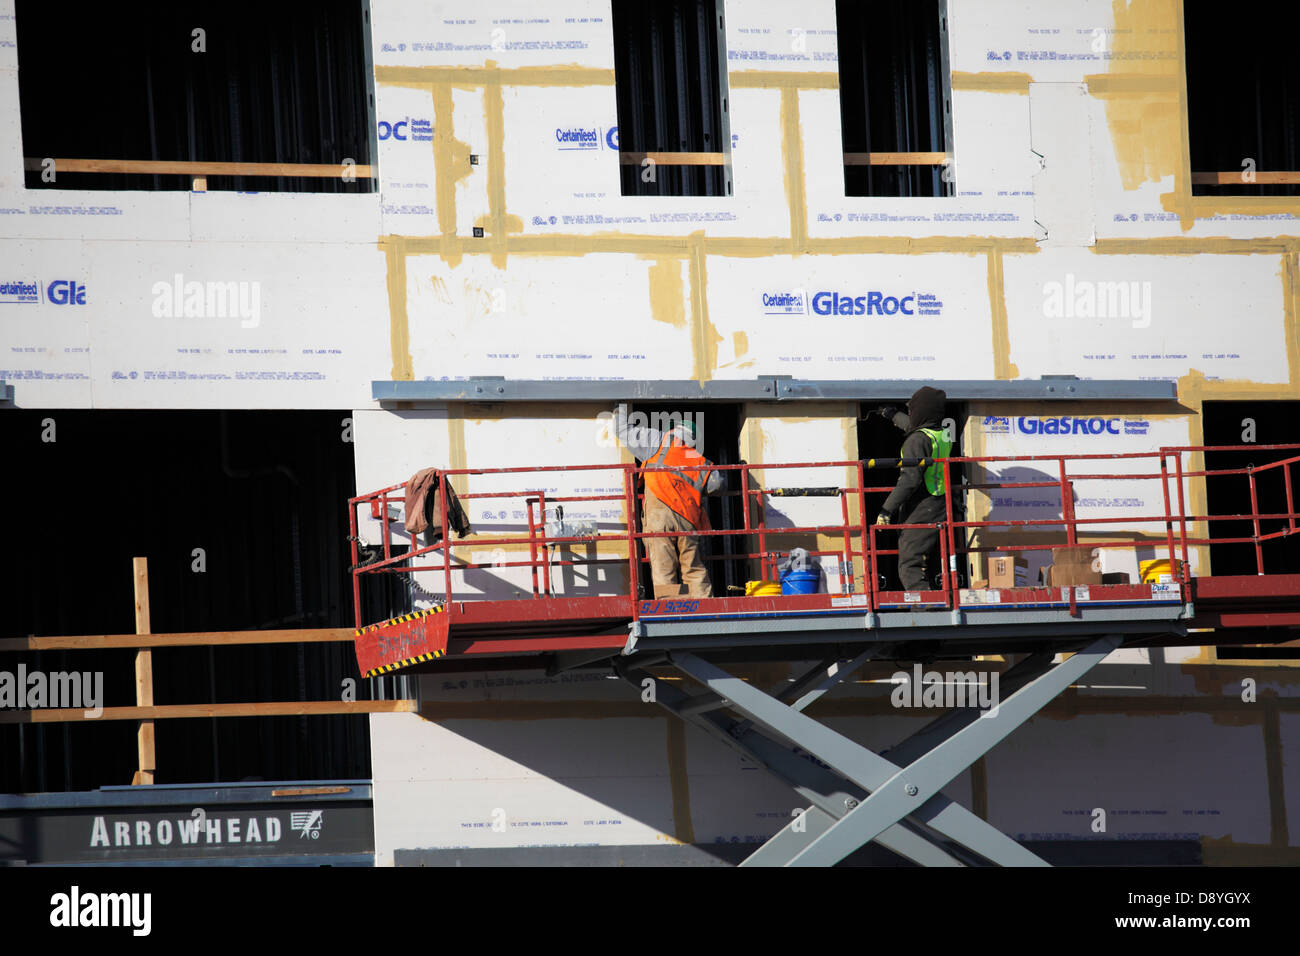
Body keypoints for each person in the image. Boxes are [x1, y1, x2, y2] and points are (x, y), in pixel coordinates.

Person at [614, 408, 723, 598]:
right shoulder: (696, 457)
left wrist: (621, 407)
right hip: (688, 520)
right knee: (693, 567)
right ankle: (704, 605)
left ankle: (672, 607)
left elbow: (623, 431)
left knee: (664, 568)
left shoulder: (657, 441)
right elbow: (717, 484)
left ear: (672, 430)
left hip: (659, 518)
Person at [874, 386, 953, 591]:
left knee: (910, 561)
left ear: (921, 412)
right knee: (934, 555)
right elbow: (916, 427)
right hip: (940, 502)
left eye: (912, 410)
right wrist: (893, 415)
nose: (910, 413)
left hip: (922, 505)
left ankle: (925, 608)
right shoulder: (943, 434)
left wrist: (886, 509)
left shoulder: (916, 441)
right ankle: (938, 602)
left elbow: (909, 479)